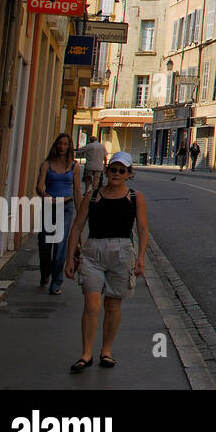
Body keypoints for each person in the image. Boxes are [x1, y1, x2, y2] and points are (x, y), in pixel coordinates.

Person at [64, 151, 148, 373]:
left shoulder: (135, 197)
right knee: (92, 303)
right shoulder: (92, 196)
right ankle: (86, 354)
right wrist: (69, 257)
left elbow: (142, 228)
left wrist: (140, 257)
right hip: (93, 253)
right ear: (107, 170)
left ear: (129, 174)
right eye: (113, 169)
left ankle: (106, 351)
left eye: (122, 170)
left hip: (122, 253)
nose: (116, 174)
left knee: (112, 305)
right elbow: (77, 227)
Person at [36, 133, 81, 295]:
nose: (62, 147)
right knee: (45, 245)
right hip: (49, 206)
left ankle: (56, 283)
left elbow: (77, 189)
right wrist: (45, 195)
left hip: (67, 207)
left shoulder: (74, 166)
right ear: (55, 146)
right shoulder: (46, 165)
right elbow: (40, 186)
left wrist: (80, 213)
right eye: (60, 144)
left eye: (65, 144)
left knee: (61, 245)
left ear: (69, 147)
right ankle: (45, 273)